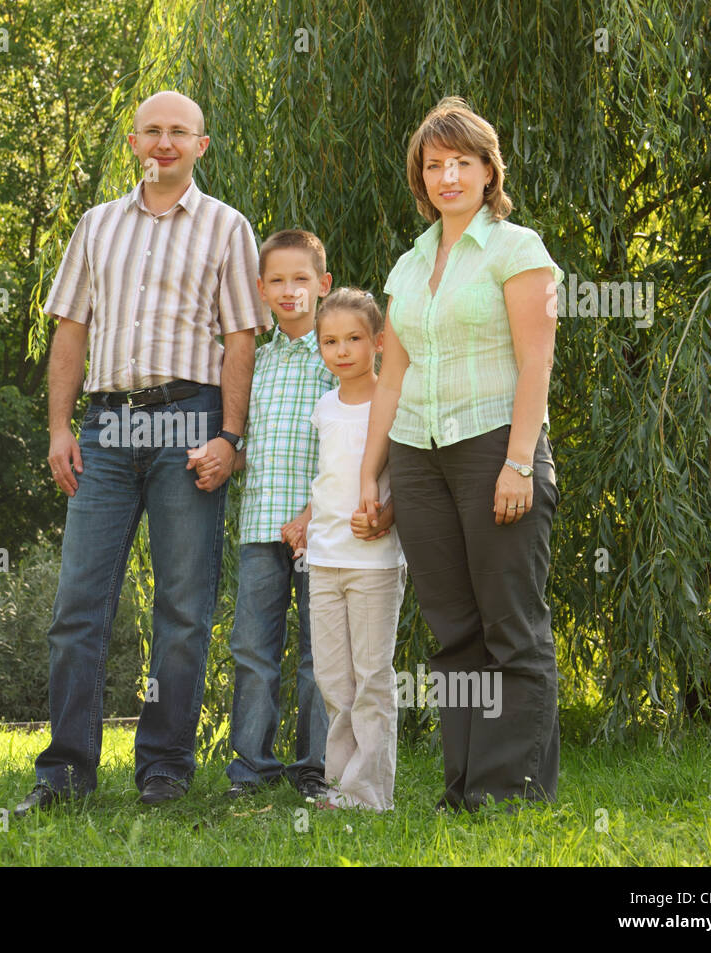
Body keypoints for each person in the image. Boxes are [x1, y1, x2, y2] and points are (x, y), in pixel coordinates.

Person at [15, 90, 270, 815]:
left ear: (201, 145)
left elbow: (241, 339)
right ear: (133, 143)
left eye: (178, 133)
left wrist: (229, 435)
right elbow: (70, 328)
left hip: (188, 423)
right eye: (152, 132)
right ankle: (64, 772)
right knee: (77, 605)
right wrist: (60, 428)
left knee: (183, 609)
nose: (164, 143)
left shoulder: (227, 228)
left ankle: (164, 768)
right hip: (105, 426)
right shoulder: (96, 226)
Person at [355, 96, 563, 813]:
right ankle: (463, 789)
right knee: (453, 631)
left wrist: (518, 461)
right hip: (418, 457)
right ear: (421, 176)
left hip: (493, 447)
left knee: (510, 625)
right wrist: (371, 475)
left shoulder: (517, 249)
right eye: (434, 164)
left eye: (462, 163)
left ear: (487, 171)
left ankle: (510, 792)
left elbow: (537, 364)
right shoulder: (409, 265)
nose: (448, 176)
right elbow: (392, 378)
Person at [221, 231, 396, 802]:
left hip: (320, 530)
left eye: (301, 279)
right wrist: (226, 456)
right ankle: (251, 767)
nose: (289, 290)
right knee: (252, 646)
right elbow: (261, 439)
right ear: (261, 289)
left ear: (322, 285)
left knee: (322, 658)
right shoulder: (256, 360)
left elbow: (345, 451)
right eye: (277, 280)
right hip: (259, 523)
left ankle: (316, 769)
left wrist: (308, 513)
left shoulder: (334, 357)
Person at [303, 288, 407, 810]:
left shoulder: (395, 403)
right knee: (333, 681)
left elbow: (410, 480)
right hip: (322, 562)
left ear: (379, 342)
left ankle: (369, 794)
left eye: (353, 339)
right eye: (329, 341)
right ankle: (340, 784)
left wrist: (386, 517)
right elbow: (325, 478)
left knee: (372, 680)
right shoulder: (323, 407)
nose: (341, 350)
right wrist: (305, 521)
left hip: (374, 562)